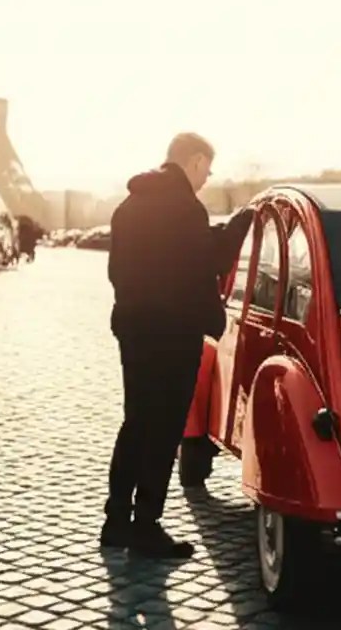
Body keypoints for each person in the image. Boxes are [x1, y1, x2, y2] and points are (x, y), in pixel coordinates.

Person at [101, 132, 254, 559]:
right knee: (165, 430)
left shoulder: (128, 207)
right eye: (207, 168)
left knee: (136, 424)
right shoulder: (185, 209)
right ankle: (147, 525)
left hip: (134, 331)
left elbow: (117, 273)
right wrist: (243, 221)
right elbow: (212, 259)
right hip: (174, 335)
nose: (207, 177)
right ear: (194, 160)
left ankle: (115, 521)